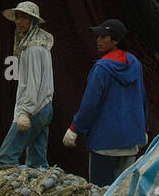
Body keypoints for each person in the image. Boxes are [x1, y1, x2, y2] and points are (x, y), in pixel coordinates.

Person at [62, 18, 148, 187]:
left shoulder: (101, 69)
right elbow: (142, 98)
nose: (98, 40)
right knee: (123, 194)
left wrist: (74, 129)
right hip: (130, 141)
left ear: (116, 40)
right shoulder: (135, 64)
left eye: (103, 36)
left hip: (104, 143)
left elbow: (89, 105)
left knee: (100, 194)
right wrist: (142, 128)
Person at [0, 1, 54, 169]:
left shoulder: (33, 49)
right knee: (37, 161)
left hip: (33, 108)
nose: (19, 22)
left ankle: (12, 193)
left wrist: (25, 112)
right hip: (44, 106)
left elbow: (33, 84)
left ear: (33, 21)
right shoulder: (37, 45)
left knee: (6, 157)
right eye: (18, 17)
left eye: (24, 17)